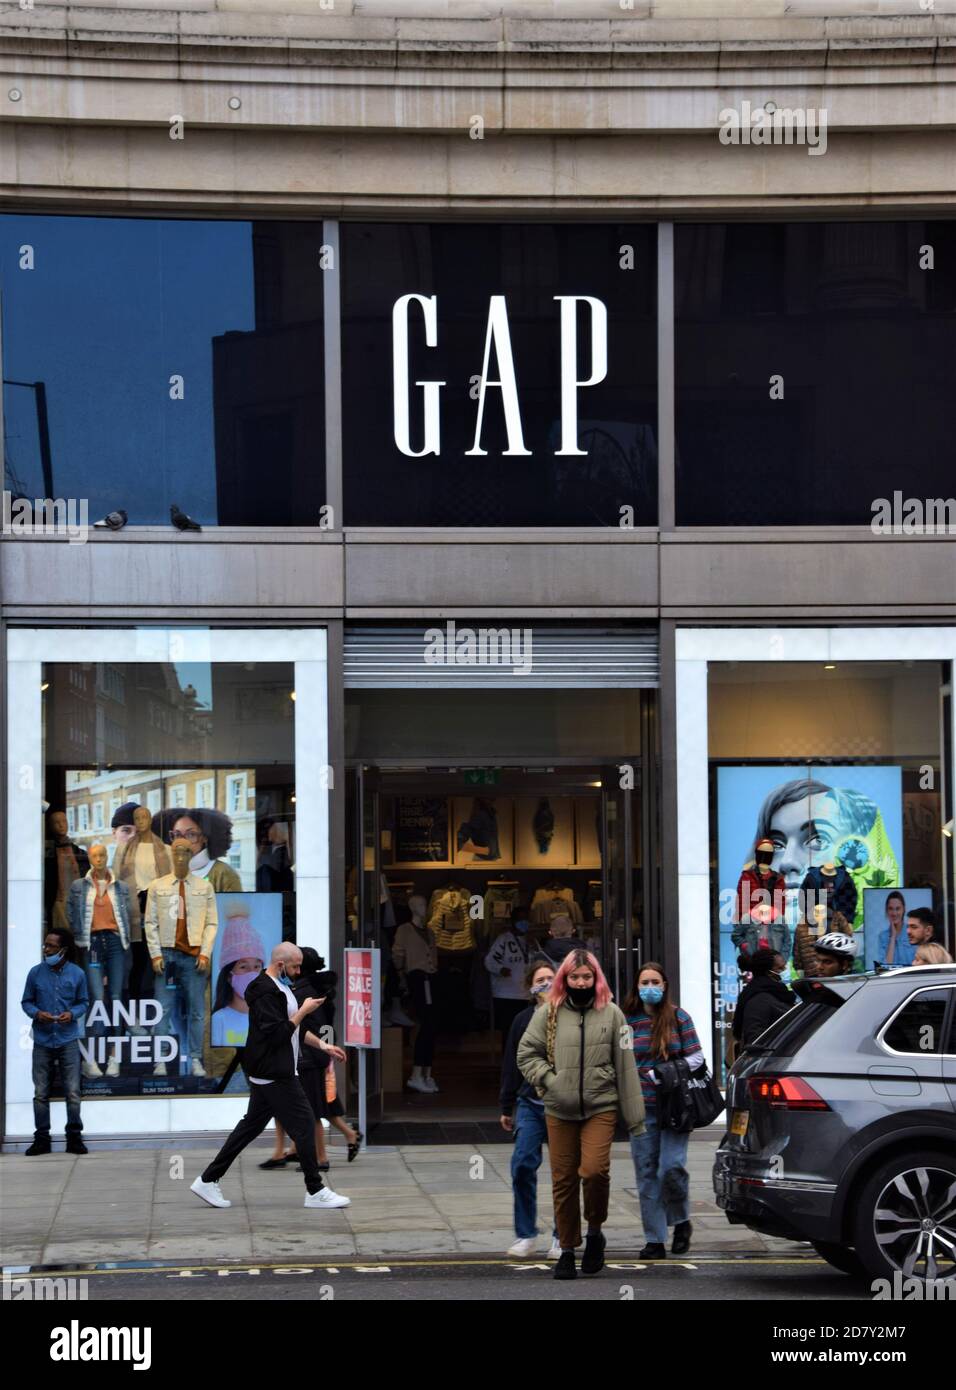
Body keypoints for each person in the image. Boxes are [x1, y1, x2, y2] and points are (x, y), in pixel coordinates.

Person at [191, 942, 350, 1210]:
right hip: (274, 1071)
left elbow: (292, 1027)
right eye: (295, 966)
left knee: (249, 1128)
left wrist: (322, 1045)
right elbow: (279, 1033)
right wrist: (304, 1011)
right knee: (305, 1124)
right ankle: (316, 1189)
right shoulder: (264, 991)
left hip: (270, 1071)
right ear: (280, 965)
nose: (299, 971)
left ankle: (208, 1180)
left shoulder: (281, 988)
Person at [517, 949, 645, 1280]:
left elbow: (626, 1066)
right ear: (565, 979)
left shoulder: (614, 1014)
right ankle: (569, 1249)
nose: (580, 982)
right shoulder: (549, 1012)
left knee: (593, 1171)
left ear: (596, 978)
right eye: (574, 977)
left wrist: (635, 1120)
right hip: (559, 1108)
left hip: (601, 1106)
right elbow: (526, 1053)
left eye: (586, 977)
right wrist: (550, 1080)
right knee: (563, 1179)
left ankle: (595, 1231)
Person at [623, 961, 704, 1260]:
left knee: (671, 1167)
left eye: (656, 982)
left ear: (665, 985)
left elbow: (697, 1059)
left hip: (675, 1107)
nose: (650, 988)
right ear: (637, 987)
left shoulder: (679, 1017)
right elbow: (619, 1061)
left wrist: (665, 1073)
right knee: (646, 1172)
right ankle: (654, 1238)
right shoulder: (628, 1021)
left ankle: (681, 1221)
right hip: (641, 1108)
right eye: (645, 982)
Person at [263, 947, 363, 1171]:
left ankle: (320, 1157)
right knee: (316, 1105)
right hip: (314, 1055)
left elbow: (302, 1026)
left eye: (297, 965)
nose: (293, 969)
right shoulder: (315, 989)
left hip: (308, 1058)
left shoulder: (301, 993)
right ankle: (298, 1149)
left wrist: (322, 1048)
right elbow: (323, 1026)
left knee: (314, 1109)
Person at [499, 957, 560, 1259]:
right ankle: (525, 1234)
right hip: (529, 1103)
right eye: (540, 979)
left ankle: (563, 1237)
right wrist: (506, 1105)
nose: (546, 983)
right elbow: (511, 1062)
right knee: (522, 1164)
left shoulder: (569, 1015)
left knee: (564, 1172)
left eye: (551, 977)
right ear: (531, 986)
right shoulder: (522, 1020)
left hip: (562, 1104)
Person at [21, 927, 89, 1155]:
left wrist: (73, 1013)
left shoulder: (77, 974)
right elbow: (26, 1002)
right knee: (41, 1092)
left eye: (51, 946)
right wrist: (37, 1013)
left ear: (63, 950)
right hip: (42, 1039)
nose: (46, 949)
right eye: (45, 945)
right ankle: (41, 1139)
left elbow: (83, 1002)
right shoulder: (35, 973)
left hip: (67, 1038)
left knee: (72, 1092)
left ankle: (74, 1138)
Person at [392, 894, 439, 1093]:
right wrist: (402, 977)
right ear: (412, 907)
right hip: (415, 979)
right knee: (425, 1024)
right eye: (420, 904)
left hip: (430, 979)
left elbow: (433, 956)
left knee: (432, 1025)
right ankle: (417, 1073)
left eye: (425, 903)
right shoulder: (404, 930)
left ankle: (426, 1073)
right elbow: (398, 954)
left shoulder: (430, 931)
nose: (424, 907)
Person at [157, 808, 243, 892]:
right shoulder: (165, 871)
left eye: (191, 834)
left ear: (205, 837)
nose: (182, 841)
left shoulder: (225, 874)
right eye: (177, 834)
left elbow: (235, 905)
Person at [732, 949, 794, 1048]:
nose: (785, 970)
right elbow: (755, 1040)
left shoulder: (778, 993)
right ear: (769, 972)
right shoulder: (759, 999)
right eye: (781, 968)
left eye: (785, 966)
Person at [485, 914, 532, 1044]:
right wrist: (500, 969)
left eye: (527, 919)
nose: (525, 922)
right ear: (513, 922)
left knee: (524, 1033)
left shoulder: (531, 941)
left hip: (526, 994)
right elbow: (489, 961)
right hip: (506, 994)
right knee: (509, 1032)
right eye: (521, 919)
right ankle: (508, 1062)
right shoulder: (503, 939)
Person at [878, 891, 914, 967]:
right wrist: (893, 937)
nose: (894, 913)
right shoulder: (882, 936)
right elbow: (886, 967)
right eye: (891, 909)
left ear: (903, 909)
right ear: (887, 911)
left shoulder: (912, 932)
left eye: (898, 909)